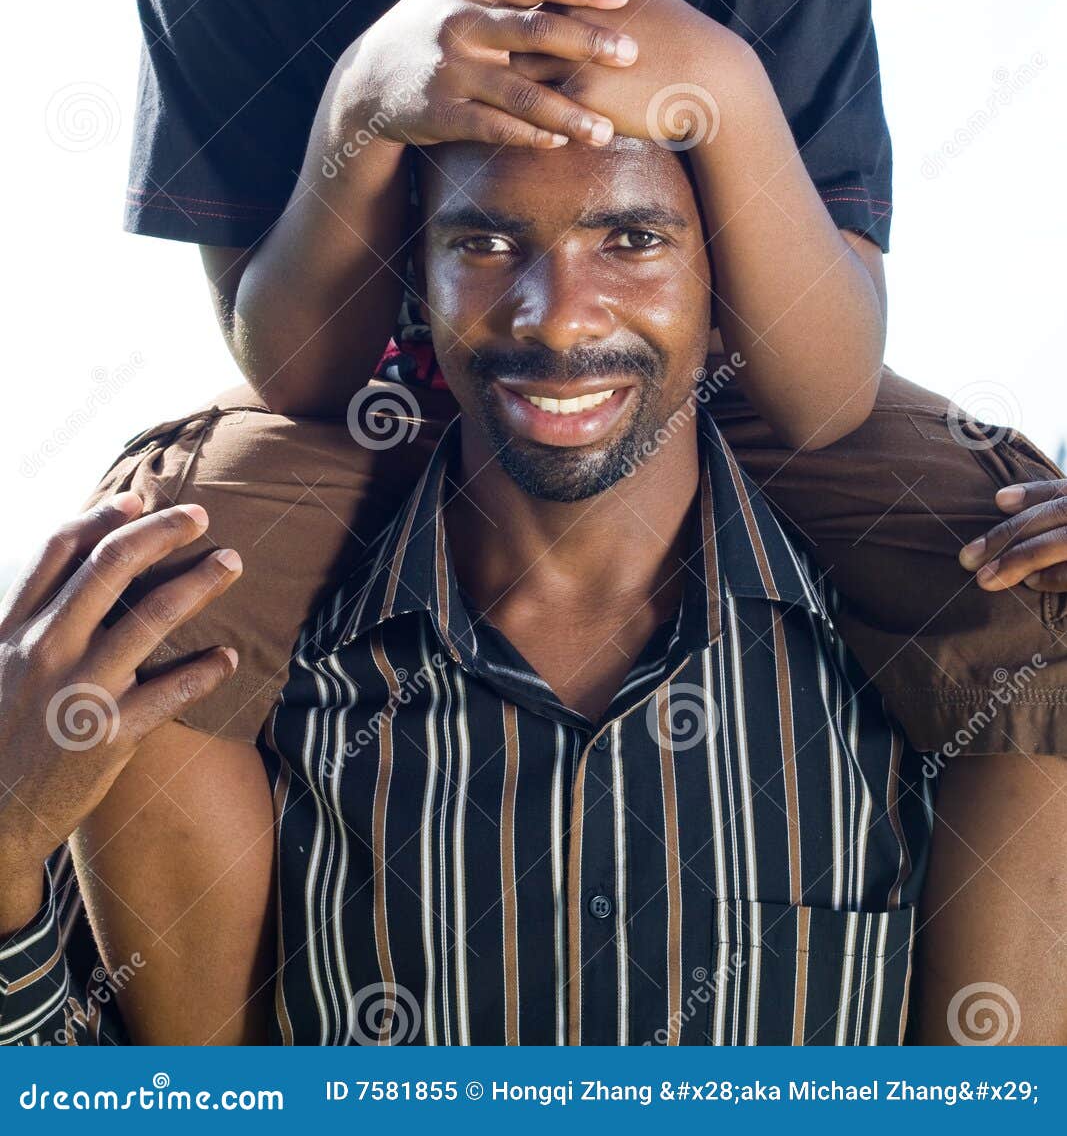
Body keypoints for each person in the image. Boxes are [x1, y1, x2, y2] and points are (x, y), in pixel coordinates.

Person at [4, 0, 1066, 1046]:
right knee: (163, 579)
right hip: (362, 372)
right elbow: (285, 362)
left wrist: (715, 87)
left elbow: (826, 386)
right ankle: (201, 1073)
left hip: (736, 369)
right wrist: (367, 105)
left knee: (1025, 577)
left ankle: (989, 1076)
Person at [2, 132, 938, 1046]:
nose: (559, 316)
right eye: (484, 244)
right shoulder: (231, 701)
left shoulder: (916, 689)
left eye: (633, 240)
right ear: (417, 288)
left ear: (729, 287)